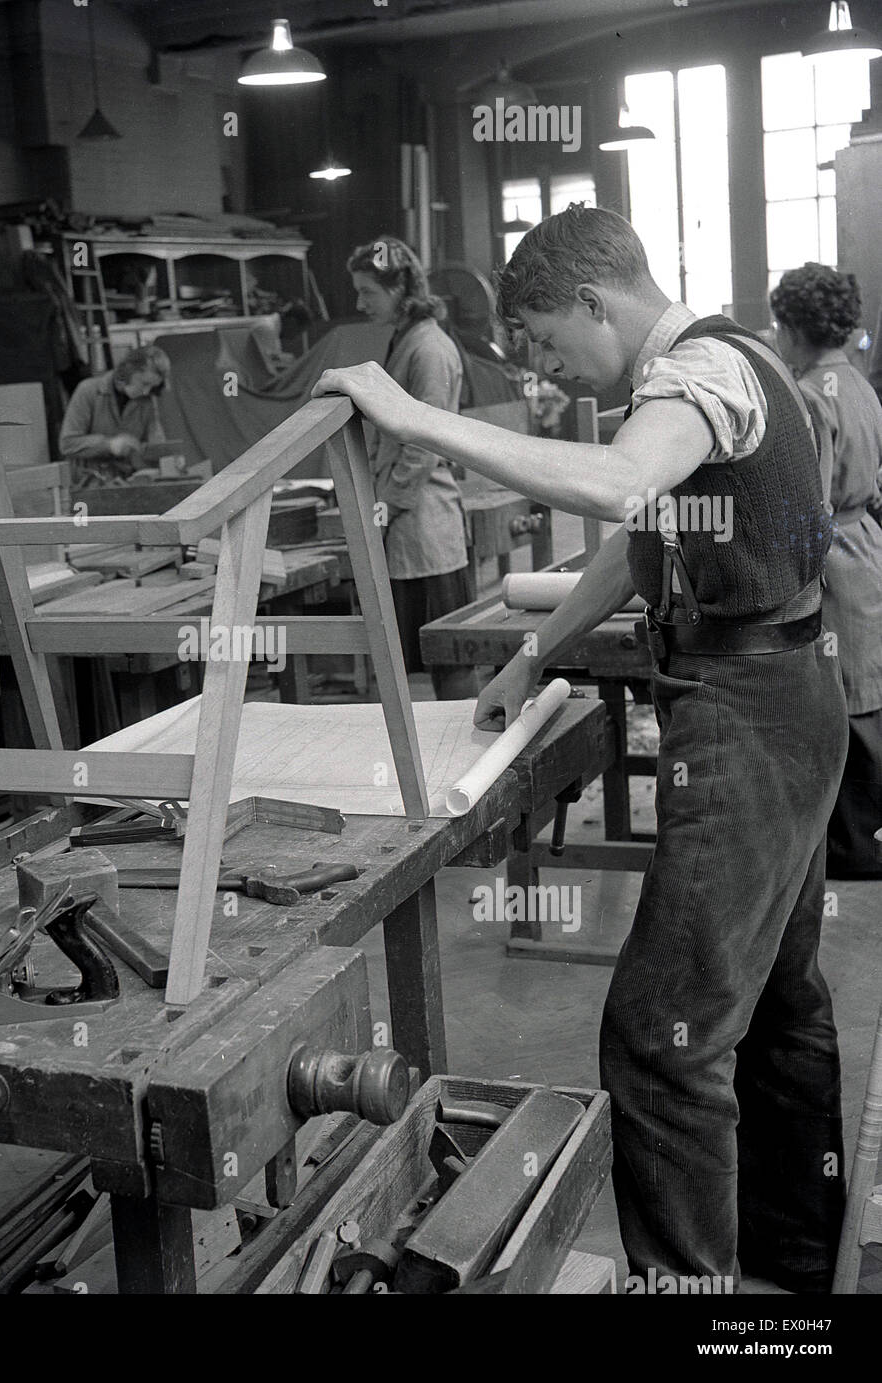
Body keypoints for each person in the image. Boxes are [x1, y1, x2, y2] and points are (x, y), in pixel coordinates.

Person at [314, 204, 847, 1293]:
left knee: (663, 1035)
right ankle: (794, 1266)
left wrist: (410, 417)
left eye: (552, 343)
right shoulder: (745, 354)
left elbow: (616, 487)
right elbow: (639, 533)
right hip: (789, 696)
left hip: (746, 714)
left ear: (596, 304)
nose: (556, 371)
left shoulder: (694, 376)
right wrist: (536, 657)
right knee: (779, 1004)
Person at [773, 263, 882, 877]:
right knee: (868, 695)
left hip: (835, 559)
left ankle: (851, 851)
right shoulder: (860, 384)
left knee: (840, 706)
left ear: (792, 328)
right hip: (867, 546)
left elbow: (809, 511)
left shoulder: (811, 394)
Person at [347, 236, 473, 697]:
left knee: (448, 657)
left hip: (425, 527)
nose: (360, 303)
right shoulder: (405, 340)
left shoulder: (428, 349)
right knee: (413, 656)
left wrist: (385, 508)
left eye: (368, 292)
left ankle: (468, 761)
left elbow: (423, 445)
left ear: (400, 290)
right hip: (407, 525)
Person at [58, 344, 170, 486]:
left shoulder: (147, 401)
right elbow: (67, 444)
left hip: (126, 483)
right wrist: (109, 445)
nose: (147, 391)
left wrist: (168, 457)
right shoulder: (88, 391)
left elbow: (156, 443)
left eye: (152, 387)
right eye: (144, 383)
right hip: (86, 484)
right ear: (128, 371)